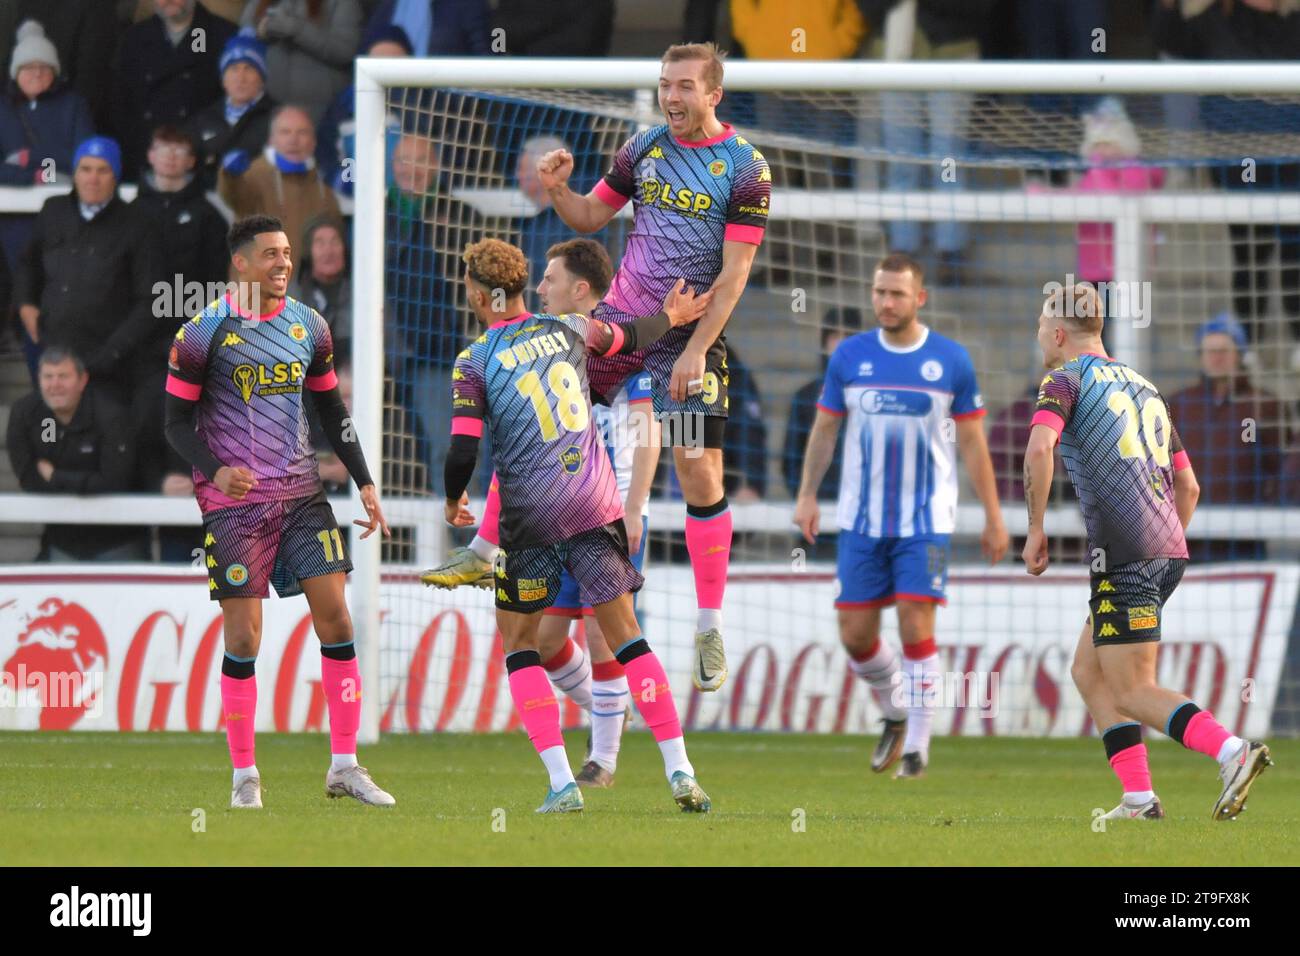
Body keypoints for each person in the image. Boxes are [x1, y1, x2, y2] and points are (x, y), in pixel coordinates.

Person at [438, 237, 711, 813]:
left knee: (519, 649)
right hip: (593, 502)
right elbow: (629, 337)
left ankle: (564, 785)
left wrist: (452, 496)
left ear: (484, 295)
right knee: (628, 638)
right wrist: (674, 316)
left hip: (532, 516)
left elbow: (464, 448)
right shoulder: (569, 329)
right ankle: (681, 771)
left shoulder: (475, 359)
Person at [533, 41, 772, 692]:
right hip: (621, 332)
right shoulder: (643, 149)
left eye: (686, 86)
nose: (672, 96)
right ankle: (552, 573)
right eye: (666, 84)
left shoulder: (745, 168)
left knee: (696, 466)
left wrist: (695, 350)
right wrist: (558, 190)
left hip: (687, 337)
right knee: (557, 436)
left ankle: (708, 621)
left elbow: (736, 271)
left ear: (713, 94)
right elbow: (588, 215)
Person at [163, 213, 395, 810]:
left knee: (338, 620)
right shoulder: (201, 333)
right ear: (240, 263)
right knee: (244, 636)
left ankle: (344, 765)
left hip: (301, 497)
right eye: (271, 255)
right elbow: (172, 424)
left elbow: (331, 410)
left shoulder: (308, 326)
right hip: (234, 507)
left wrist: (365, 480)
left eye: (288, 254)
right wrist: (215, 470)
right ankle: (245, 775)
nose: (284, 264)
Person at [1022, 281, 1271, 821]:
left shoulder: (1063, 380)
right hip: (1166, 552)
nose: (1038, 334)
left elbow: (1040, 446)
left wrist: (1035, 527)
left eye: (1042, 324)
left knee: (1133, 689)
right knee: (1089, 671)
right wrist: (1163, 541)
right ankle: (1138, 798)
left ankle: (1231, 752)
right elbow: (1190, 487)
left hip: (1126, 555)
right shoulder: (1144, 386)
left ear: (1059, 332)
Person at [794, 253, 1009, 779]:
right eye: (879, 292)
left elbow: (975, 446)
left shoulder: (950, 361)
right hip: (861, 520)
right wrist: (806, 495)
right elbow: (824, 432)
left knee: (916, 621)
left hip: (926, 519)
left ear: (920, 298)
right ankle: (895, 708)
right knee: (855, 635)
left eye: (896, 293)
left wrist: (995, 517)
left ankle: (917, 745)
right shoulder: (849, 357)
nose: (886, 302)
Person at [14, 137, 162, 413]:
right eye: (85, 168)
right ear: (75, 172)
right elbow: (27, 265)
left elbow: (150, 301)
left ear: (115, 176)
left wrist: (111, 354)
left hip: (109, 364)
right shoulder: (53, 210)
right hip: (52, 354)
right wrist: (25, 304)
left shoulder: (138, 224)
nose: (92, 178)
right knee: (52, 435)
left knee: (106, 442)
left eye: (102, 170)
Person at [6, 347, 147, 561]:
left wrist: (56, 477)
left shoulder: (112, 415)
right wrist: (86, 482)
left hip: (118, 542)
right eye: (48, 376)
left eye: (63, 376)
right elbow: (30, 479)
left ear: (82, 381)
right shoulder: (26, 412)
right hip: (60, 542)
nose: (55, 385)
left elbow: (114, 482)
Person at [1165, 313, 1287, 560]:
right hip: (1188, 535)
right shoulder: (1179, 404)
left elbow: (1281, 467)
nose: (1216, 357)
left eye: (1224, 350)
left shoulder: (1263, 405)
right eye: (1209, 351)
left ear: (1239, 355)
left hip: (1244, 537)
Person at [112, 0, 236, 181]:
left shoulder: (221, 35)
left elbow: (230, 101)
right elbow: (120, 102)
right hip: (146, 158)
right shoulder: (135, 37)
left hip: (198, 159)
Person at [218, 103, 341, 254]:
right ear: (271, 140)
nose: (293, 140)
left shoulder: (322, 182)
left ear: (313, 142)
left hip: (304, 276)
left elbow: (335, 230)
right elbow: (234, 196)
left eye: (302, 132)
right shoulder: (254, 174)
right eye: (285, 132)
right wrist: (231, 175)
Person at [0, 20, 95, 187]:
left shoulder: (73, 106)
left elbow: (85, 158)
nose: (37, 73)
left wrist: (29, 157)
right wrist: (36, 176)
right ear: (16, 73)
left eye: (44, 67)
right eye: (29, 67)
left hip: (62, 199)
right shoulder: (3, 108)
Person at [240, 0, 361, 125]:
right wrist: (261, 31)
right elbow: (242, 40)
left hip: (318, 111)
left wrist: (297, 29)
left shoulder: (342, 3)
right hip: (267, 107)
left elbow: (345, 51)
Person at [783, 309, 861, 499]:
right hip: (817, 511)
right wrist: (806, 497)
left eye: (848, 336)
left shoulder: (874, 395)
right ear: (824, 342)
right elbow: (791, 460)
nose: (841, 343)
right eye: (835, 336)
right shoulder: (805, 396)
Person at [185, 29, 276, 189]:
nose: (240, 78)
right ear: (224, 79)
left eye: (249, 68)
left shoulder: (279, 118)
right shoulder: (203, 119)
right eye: (233, 68)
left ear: (262, 78)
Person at [287, 214, 351, 362]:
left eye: (335, 242)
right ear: (309, 253)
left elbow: (392, 347)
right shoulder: (291, 296)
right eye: (320, 243)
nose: (329, 251)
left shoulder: (363, 292)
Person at [361, 0, 490, 55]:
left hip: (446, 105)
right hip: (384, 101)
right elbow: (364, 53)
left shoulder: (468, 5)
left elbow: (486, 60)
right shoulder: (389, 5)